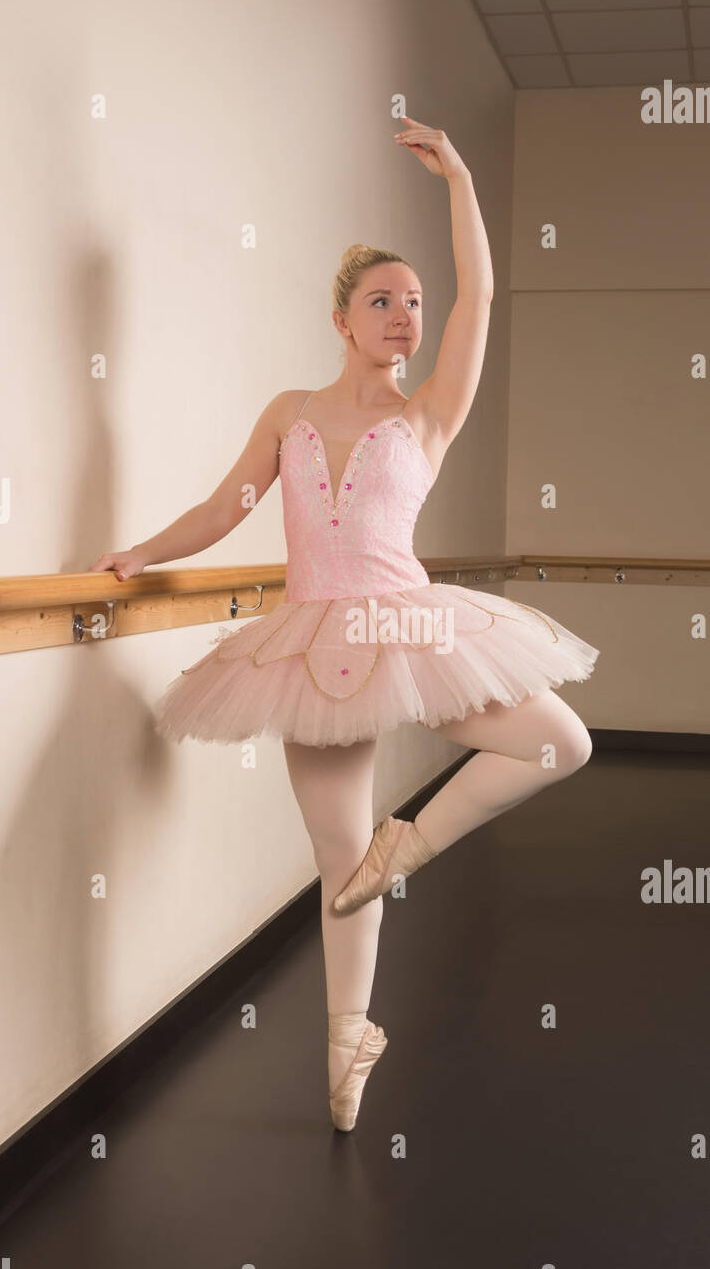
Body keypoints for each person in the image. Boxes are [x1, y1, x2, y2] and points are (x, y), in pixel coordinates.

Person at [91, 117, 600, 1133]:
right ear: (341, 317)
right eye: (382, 302)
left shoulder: (428, 417)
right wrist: (145, 552)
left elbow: (481, 297)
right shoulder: (290, 411)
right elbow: (226, 506)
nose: (404, 318)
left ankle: (412, 841)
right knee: (339, 867)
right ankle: (346, 1046)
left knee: (557, 739)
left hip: (410, 630)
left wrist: (457, 176)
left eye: (412, 304)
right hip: (310, 644)